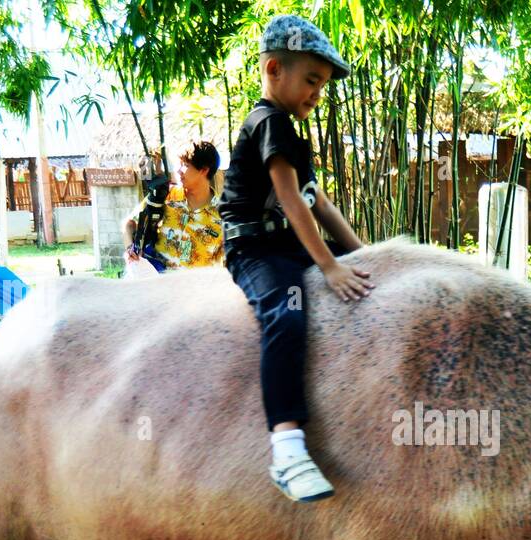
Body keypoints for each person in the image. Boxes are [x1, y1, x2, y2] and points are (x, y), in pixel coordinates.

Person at [218, 14, 373, 503]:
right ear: (272, 69)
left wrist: (368, 255)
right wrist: (329, 266)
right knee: (286, 315)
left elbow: (317, 202)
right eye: (310, 80)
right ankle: (286, 449)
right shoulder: (269, 123)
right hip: (257, 249)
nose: (316, 94)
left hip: (287, 245)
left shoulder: (289, 132)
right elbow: (289, 200)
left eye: (322, 85)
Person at [123, 140, 225, 272]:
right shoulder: (166, 195)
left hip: (195, 290)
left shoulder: (223, 214)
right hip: (156, 286)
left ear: (204, 170)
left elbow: (227, 263)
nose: (179, 170)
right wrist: (129, 249)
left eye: (185, 165)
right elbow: (129, 224)